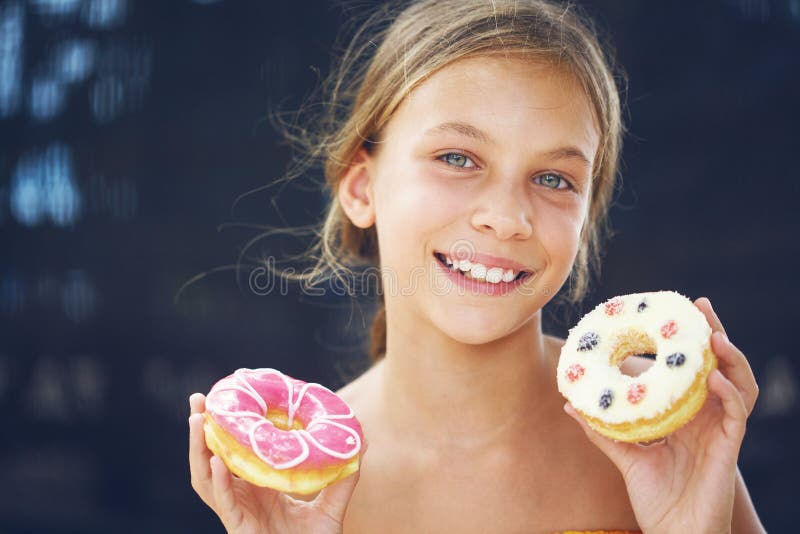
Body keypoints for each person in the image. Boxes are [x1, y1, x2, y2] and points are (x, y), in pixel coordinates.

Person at [188, 0, 766, 532]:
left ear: (587, 216)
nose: (507, 216)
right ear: (362, 188)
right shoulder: (300, 490)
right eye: (458, 158)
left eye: (552, 179)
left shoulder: (668, 435)